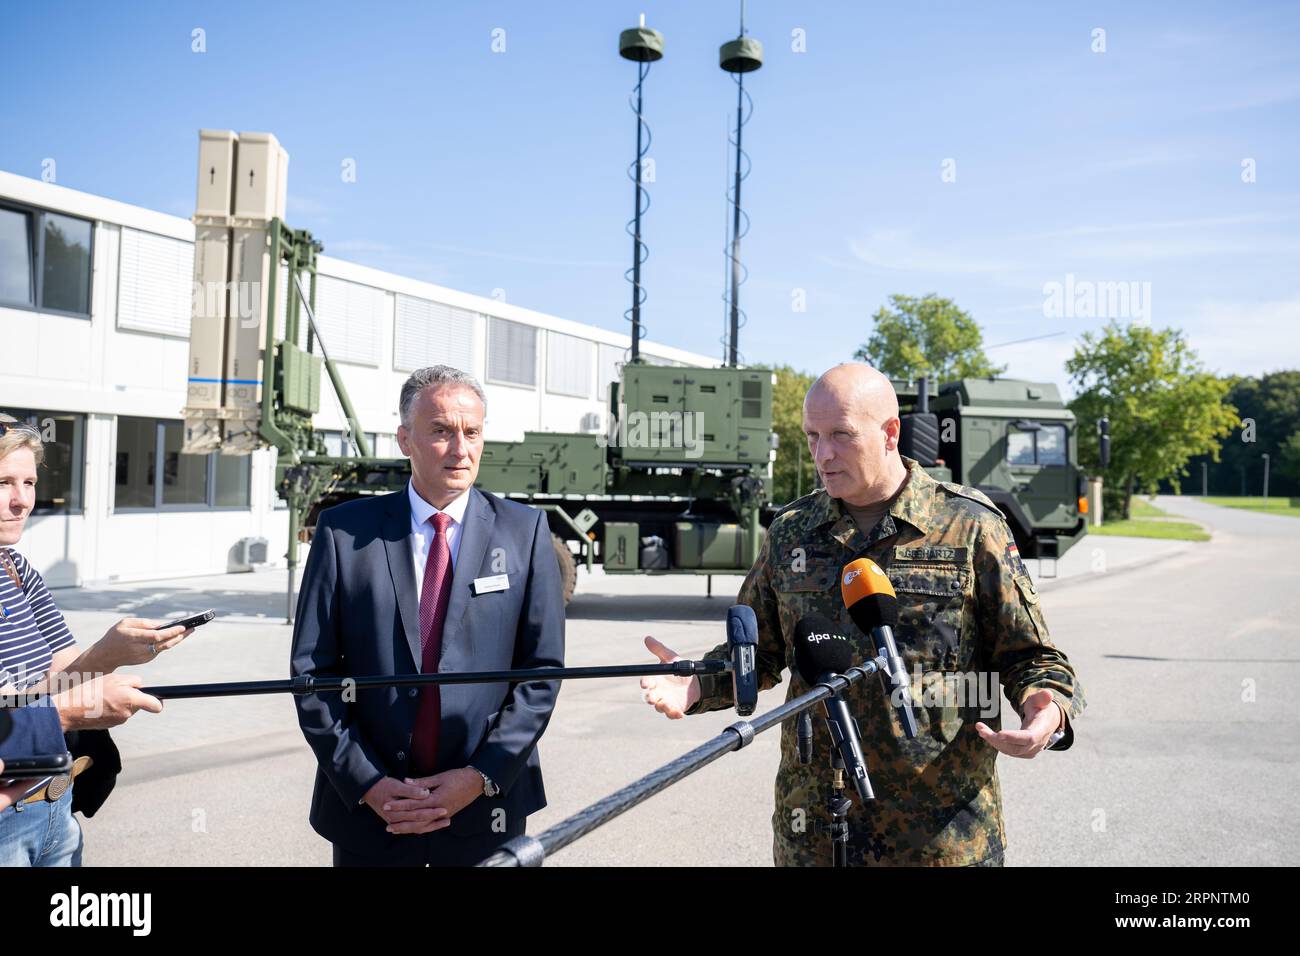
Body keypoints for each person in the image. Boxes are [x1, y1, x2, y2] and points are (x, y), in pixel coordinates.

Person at [640, 363, 1086, 866]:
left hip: (940, 837)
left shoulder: (970, 526)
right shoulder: (791, 533)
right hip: (817, 833)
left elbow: (1033, 657)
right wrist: (697, 683)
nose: (821, 454)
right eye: (812, 436)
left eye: (840, 436)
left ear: (890, 432)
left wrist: (1045, 710)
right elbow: (759, 653)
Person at [291, 366, 565, 867]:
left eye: (472, 432)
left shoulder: (524, 532)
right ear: (404, 439)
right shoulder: (344, 533)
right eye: (441, 431)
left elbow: (541, 673)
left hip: (487, 808)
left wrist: (479, 776)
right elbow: (313, 676)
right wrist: (369, 783)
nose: (461, 449)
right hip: (372, 816)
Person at [0, 414, 187, 866]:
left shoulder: (17, 570)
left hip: (55, 808)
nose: (22, 500)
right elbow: (51, 706)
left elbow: (59, 679)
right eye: (4, 481)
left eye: (29, 481)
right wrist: (71, 713)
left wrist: (109, 652)